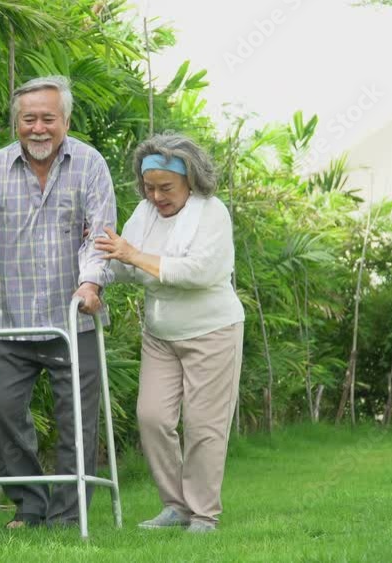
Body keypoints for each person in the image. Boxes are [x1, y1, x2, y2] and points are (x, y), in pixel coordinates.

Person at [0, 75, 117, 529]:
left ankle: (68, 514)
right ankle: (30, 505)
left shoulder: (90, 165)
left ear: (66, 121)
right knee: (3, 410)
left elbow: (100, 234)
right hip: (9, 324)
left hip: (71, 322)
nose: (38, 128)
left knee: (76, 421)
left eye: (48, 119)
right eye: (29, 118)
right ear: (17, 122)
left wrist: (91, 283)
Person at [95, 133, 244, 534]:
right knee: (152, 417)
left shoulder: (212, 213)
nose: (157, 196)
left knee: (203, 425)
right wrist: (102, 264)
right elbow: (126, 268)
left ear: (189, 181)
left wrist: (135, 256)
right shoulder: (143, 215)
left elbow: (202, 272)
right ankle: (176, 506)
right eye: (149, 187)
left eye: (166, 188)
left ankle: (204, 515)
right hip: (161, 334)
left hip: (212, 331)